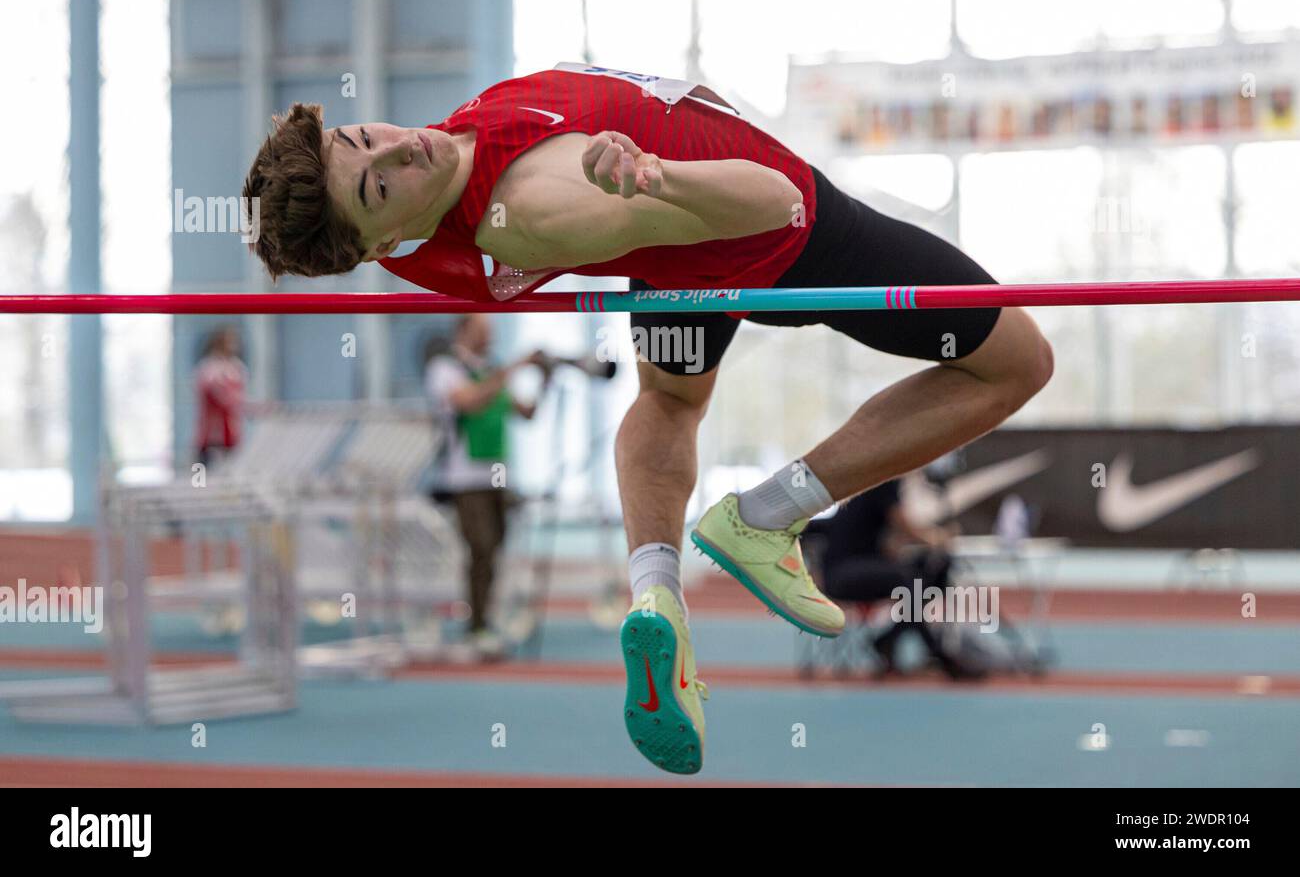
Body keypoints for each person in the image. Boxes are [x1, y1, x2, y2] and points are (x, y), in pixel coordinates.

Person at [241, 63, 1054, 774]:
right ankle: (769, 514)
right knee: (1017, 362)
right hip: (785, 243)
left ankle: (656, 594)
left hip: (673, 273)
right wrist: (659, 179)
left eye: (361, 136)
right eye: (377, 185)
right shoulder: (532, 207)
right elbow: (772, 205)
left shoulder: (453, 155)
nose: (394, 148)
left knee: (668, 398)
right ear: (379, 246)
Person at [424, 315, 548, 658]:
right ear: (463, 331)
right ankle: (475, 626)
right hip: (463, 478)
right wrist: (515, 366)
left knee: (494, 550)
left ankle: (485, 621)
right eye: (483, 332)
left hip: (496, 476)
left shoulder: (492, 370)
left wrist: (544, 379)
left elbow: (526, 412)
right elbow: (470, 400)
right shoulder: (444, 368)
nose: (489, 339)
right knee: (480, 548)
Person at [802, 475, 980, 680]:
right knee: (908, 582)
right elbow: (901, 523)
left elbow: (888, 537)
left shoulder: (878, 484)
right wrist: (935, 538)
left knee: (935, 569)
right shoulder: (882, 480)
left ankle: (889, 639)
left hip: (866, 565)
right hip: (843, 574)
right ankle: (938, 653)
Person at [193, 327, 247, 471]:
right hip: (208, 438)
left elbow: (238, 398)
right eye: (229, 342)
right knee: (199, 482)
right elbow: (222, 398)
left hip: (231, 437)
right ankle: (199, 489)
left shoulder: (236, 368)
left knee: (228, 484)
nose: (232, 347)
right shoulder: (208, 368)